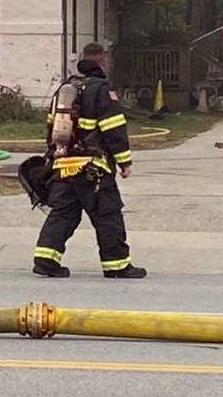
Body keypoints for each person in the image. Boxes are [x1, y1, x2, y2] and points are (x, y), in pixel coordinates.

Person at [32, 42, 146, 279]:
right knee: (107, 214)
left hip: (63, 166)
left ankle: (46, 259)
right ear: (102, 61)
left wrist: (54, 158)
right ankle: (117, 265)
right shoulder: (102, 90)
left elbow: (51, 126)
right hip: (92, 168)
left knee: (64, 213)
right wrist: (125, 163)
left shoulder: (65, 89)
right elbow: (114, 130)